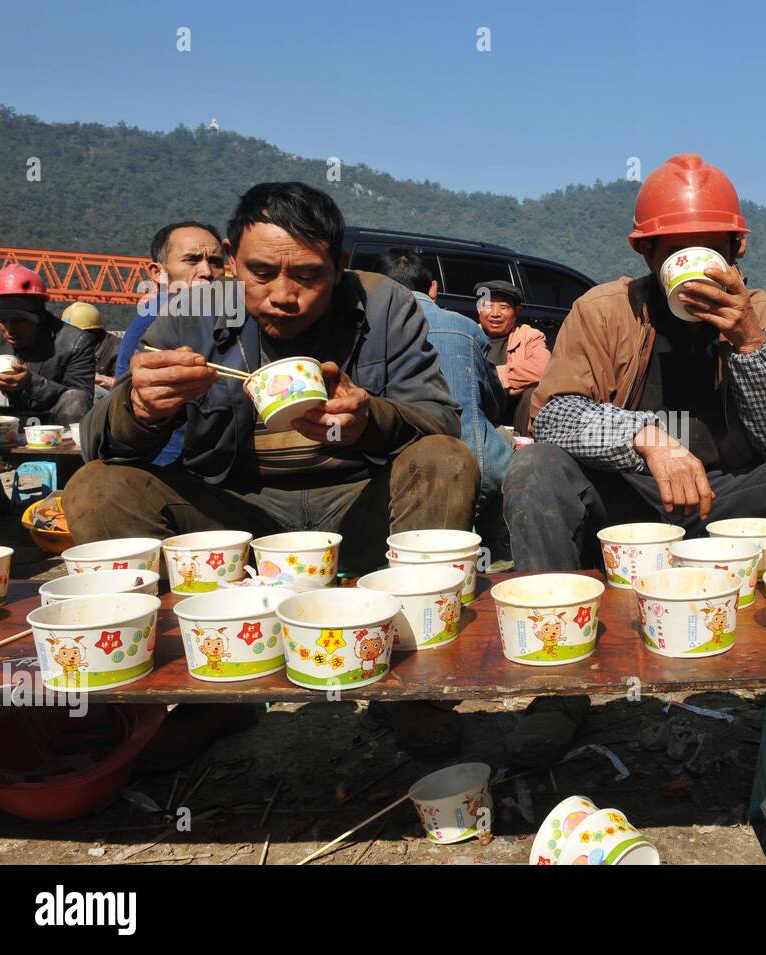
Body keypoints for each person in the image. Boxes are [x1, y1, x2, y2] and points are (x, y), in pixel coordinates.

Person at [66, 182, 479, 760]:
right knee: (95, 490)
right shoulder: (192, 310)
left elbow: (440, 422)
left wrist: (370, 418)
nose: (283, 296)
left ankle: (407, 689)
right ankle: (202, 698)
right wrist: (138, 407)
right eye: (261, 272)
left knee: (444, 462)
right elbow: (101, 444)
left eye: (307, 276)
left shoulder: (384, 303)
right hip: (236, 518)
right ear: (231, 261)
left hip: (356, 509)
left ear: (337, 267)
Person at [503, 153, 766, 768]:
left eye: (708, 250)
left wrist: (751, 345)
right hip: (633, 501)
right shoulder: (604, 310)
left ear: (735, 252)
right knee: (536, 470)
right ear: (647, 257)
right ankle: (558, 687)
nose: (690, 266)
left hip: (738, 503)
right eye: (672, 250)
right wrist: (646, 438)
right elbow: (552, 415)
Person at [378, 246, 512, 518]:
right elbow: (494, 404)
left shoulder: (372, 328)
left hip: (401, 481)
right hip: (481, 470)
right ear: (433, 288)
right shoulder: (465, 327)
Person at [117, 221, 226, 468]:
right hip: (172, 464)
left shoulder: (222, 317)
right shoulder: (152, 322)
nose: (207, 272)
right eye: (191, 260)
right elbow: (125, 403)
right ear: (158, 273)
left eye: (216, 262)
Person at [0, 264, 94, 426]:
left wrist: (30, 383)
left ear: (38, 317)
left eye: (19, 320)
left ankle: (71, 450)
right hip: (13, 419)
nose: (9, 329)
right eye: (2, 321)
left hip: (54, 419)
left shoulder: (76, 341)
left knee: (76, 399)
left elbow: (81, 397)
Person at [474, 279, 550, 431]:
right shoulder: (468, 334)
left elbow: (544, 367)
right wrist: (513, 383)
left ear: (517, 311)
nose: (495, 314)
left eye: (504, 307)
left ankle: (526, 447)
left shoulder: (529, 336)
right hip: (478, 409)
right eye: (488, 306)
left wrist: (496, 377)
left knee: (533, 391)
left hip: (514, 413)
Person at [61, 303, 118, 393]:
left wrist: (96, 378)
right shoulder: (66, 345)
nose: (71, 337)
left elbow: (125, 386)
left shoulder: (116, 349)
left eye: (74, 333)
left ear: (93, 332)